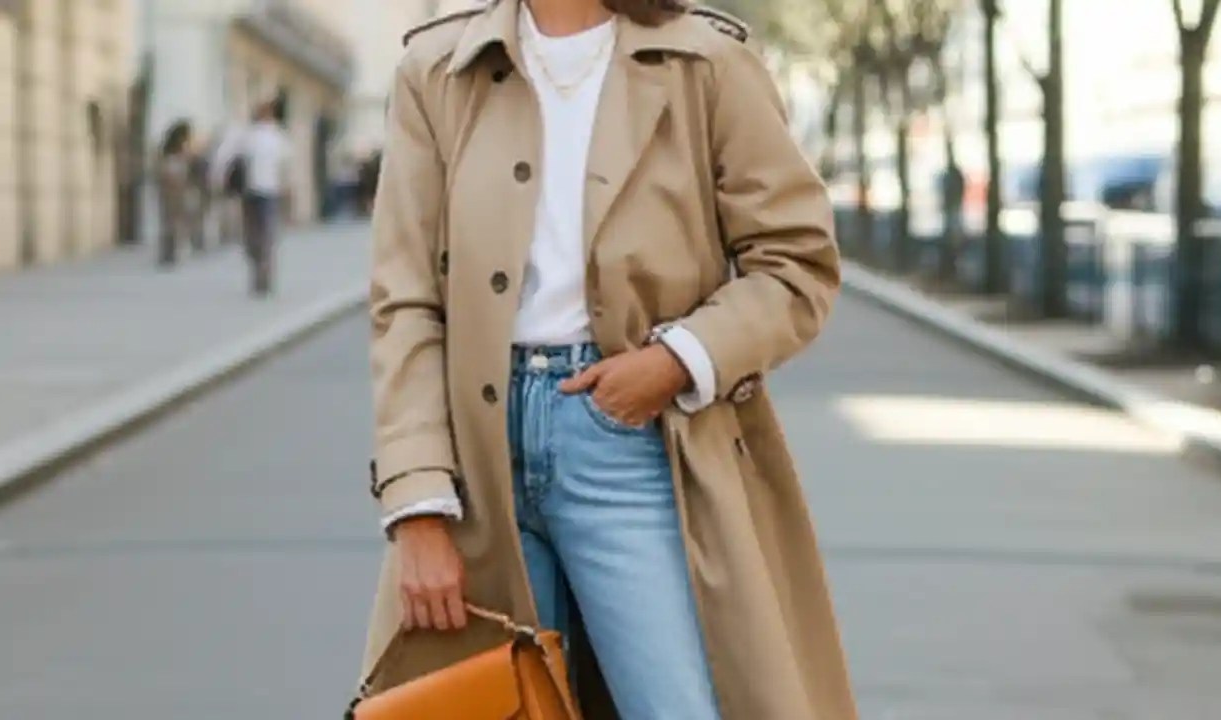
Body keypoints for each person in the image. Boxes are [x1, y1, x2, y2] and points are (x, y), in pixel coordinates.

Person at [360, 2, 858, 719]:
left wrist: (676, 362)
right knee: (486, 706)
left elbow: (796, 263)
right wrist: (416, 508)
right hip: (474, 465)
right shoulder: (437, 70)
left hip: (633, 439)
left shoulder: (705, 63)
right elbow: (404, 298)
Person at [240, 101, 290, 296]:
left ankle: (263, 277)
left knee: (260, 236)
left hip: (263, 191)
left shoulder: (274, 136)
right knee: (261, 236)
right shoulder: (254, 136)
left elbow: (285, 167)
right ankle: (261, 275)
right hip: (260, 191)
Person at [155, 120, 192, 266]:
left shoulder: (169, 152)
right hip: (172, 190)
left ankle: (170, 252)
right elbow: (168, 172)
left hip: (174, 190)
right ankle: (169, 252)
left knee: (171, 221)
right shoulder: (174, 153)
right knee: (172, 221)